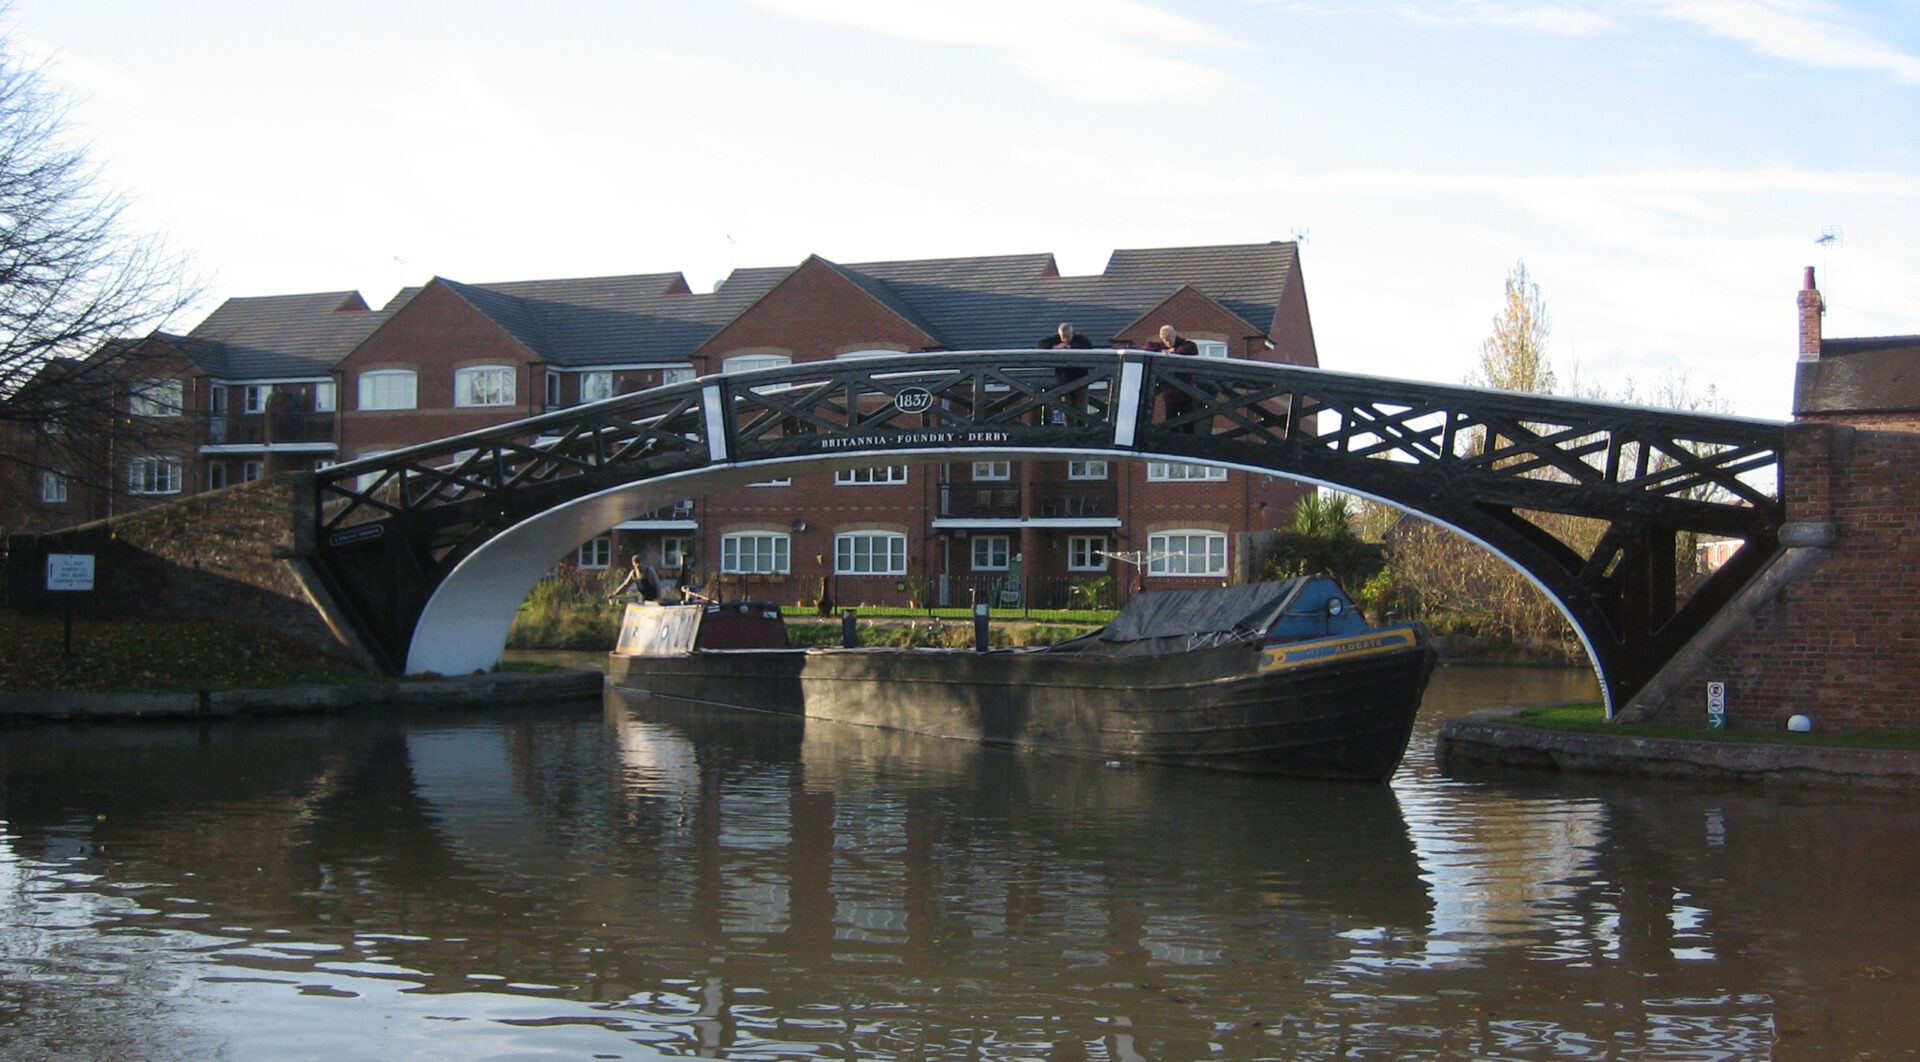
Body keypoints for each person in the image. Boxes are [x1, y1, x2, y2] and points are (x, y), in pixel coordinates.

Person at [1144, 325, 1201, 432]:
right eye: (1166, 341)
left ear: (1174, 336)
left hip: (1186, 391)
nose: (1169, 343)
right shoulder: (1161, 346)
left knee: (1188, 422)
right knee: (1171, 421)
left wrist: (1174, 351)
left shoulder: (1185, 345)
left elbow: (1191, 348)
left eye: (1170, 340)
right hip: (1170, 393)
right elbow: (1147, 347)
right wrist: (1162, 351)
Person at [1037, 323, 1094, 421]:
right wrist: (1055, 348)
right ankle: (1069, 431)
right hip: (1064, 381)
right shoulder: (1056, 340)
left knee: (1081, 408)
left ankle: (1083, 430)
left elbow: (1087, 347)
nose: (1066, 340)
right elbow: (1040, 345)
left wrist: (1070, 348)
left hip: (1081, 379)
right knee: (1067, 409)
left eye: (1068, 337)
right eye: (1063, 338)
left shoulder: (1081, 340)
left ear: (1072, 333)